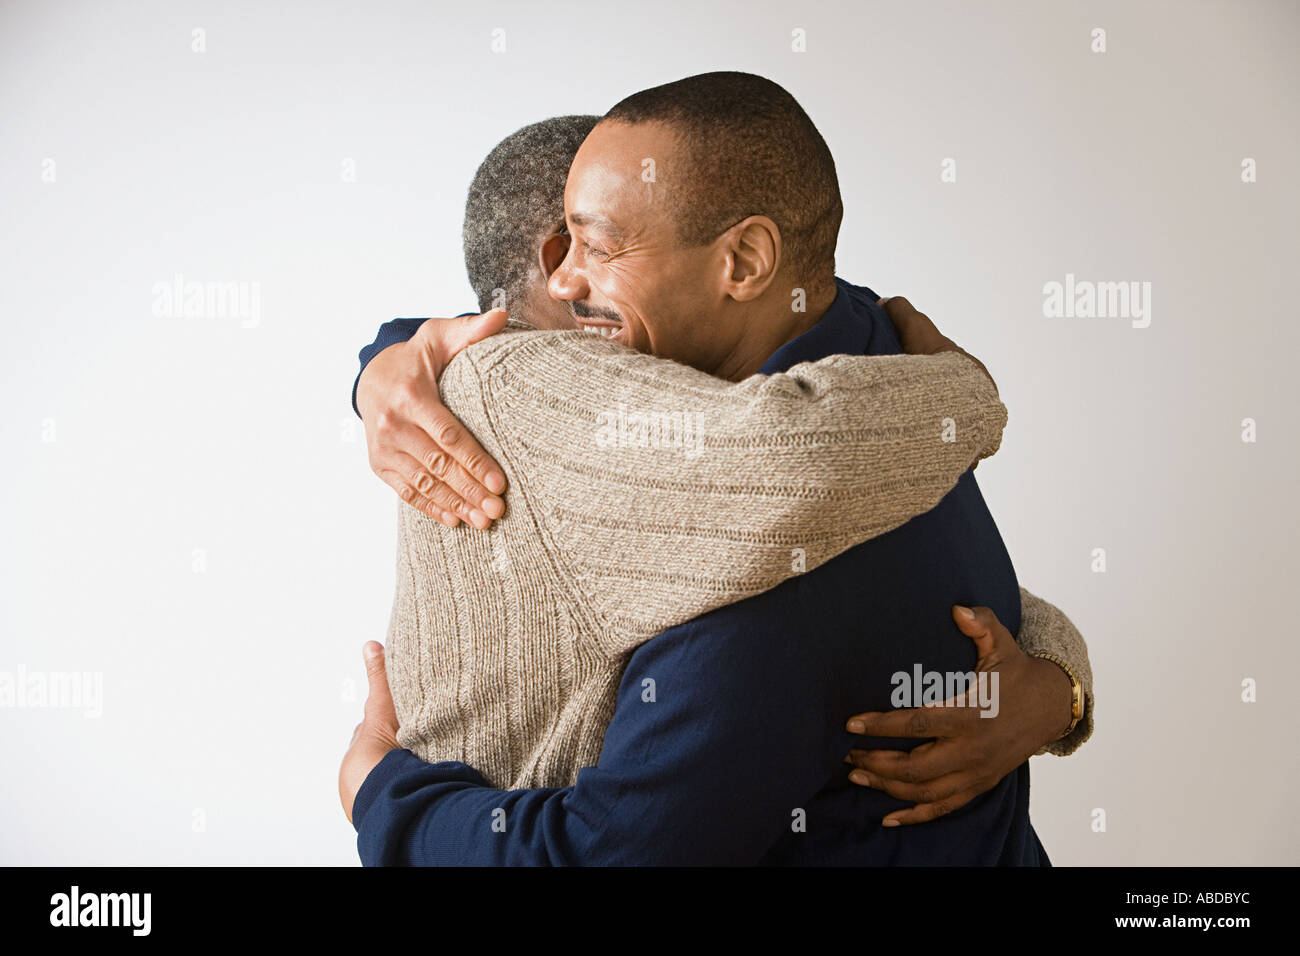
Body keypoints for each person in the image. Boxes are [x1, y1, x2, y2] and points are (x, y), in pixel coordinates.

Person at [341, 74, 1092, 864]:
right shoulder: (876, 343)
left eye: (596, 245)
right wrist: (387, 358)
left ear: (744, 261)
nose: (568, 283)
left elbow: (609, 856)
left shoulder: (746, 558)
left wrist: (380, 796)